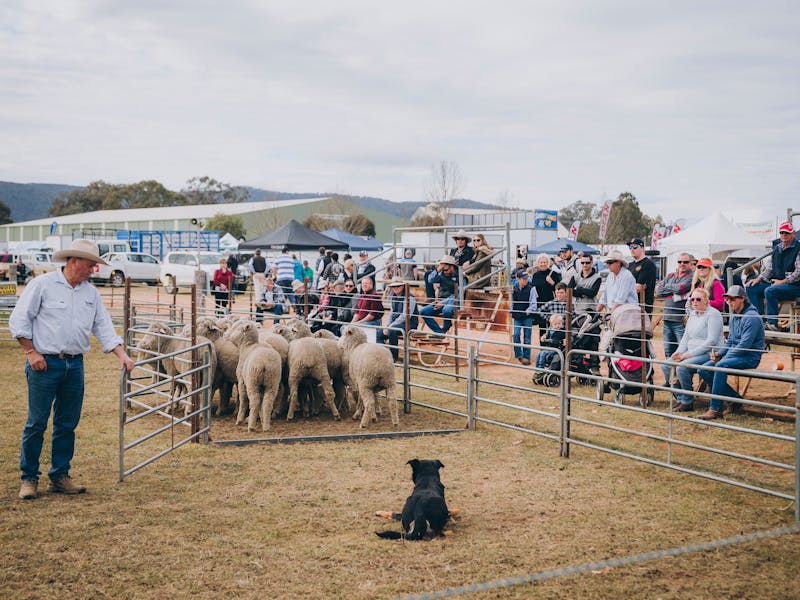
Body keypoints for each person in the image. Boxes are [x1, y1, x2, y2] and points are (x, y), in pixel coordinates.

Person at [10, 239, 135, 500]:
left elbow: (103, 326)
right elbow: (20, 320)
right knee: (37, 422)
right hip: (45, 363)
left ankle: (59, 475)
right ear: (74, 261)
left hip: (74, 365)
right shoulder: (42, 285)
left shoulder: (91, 294)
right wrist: (31, 352)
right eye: (91, 265)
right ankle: (29, 477)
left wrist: (121, 355)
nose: (93, 271)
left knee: (67, 423)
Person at [697, 285, 765, 420]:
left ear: (742, 299)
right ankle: (734, 399)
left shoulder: (751, 317)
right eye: (727, 299)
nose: (729, 302)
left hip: (750, 356)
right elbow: (731, 340)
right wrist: (720, 354)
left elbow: (745, 345)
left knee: (720, 366)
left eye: (732, 299)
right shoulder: (735, 315)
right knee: (703, 370)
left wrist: (723, 358)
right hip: (736, 355)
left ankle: (715, 408)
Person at [669, 288, 724, 411]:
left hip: (710, 353)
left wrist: (688, 354)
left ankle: (688, 402)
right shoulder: (693, 314)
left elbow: (712, 341)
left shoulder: (713, 314)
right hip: (690, 352)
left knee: (682, 367)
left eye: (698, 299)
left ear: (706, 301)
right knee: (666, 365)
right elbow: (686, 337)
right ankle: (681, 398)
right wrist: (679, 351)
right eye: (692, 299)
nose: (694, 302)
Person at [745, 220, 800, 331]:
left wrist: (782, 282)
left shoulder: (798, 248)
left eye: (787, 233)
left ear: (793, 234)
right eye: (782, 233)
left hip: (795, 287)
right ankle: (759, 321)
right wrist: (758, 279)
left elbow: (798, 273)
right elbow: (769, 269)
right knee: (751, 287)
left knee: (770, 291)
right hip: (776, 285)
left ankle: (772, 324)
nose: (784, 235)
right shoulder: (777, 248)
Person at [655, 252, 694, 384]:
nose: (682, 264)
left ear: (690, 263)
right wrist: (672, 289)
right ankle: (669, 378)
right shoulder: (671, 275)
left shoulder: (691, 277)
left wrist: (667, 287)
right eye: (679, 262)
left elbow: (680, 289)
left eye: (685, 262)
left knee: (681, 350)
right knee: (668, 350)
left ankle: (681, 379)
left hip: (680, 320)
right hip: (667, 318)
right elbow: (659, 291)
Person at [378, 277, 419, 361]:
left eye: (398, 286)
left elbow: (405, 316)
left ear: (403, 286)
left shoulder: (409, 297)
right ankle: (383, 354)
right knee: (378, 333)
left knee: (392, 331)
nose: (396, 288)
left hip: (409, 323)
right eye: (394, 286)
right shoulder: (393, 297)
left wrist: (391, 326)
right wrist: (387, 325)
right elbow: (391, 313)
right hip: (396, 323)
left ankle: (393, 357)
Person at [420, 255, 459, 338]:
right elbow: (430, 280)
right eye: (443, 269)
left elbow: (458, 294)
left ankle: (445, 328)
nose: (444, 271)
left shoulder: (460, 276)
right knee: (423, 311)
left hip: (453, 301)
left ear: (452, 267)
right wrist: (438, 269)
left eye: (446, 269)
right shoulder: (442, 273)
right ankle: (439, 333)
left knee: (446, 310)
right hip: (441, 300)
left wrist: (443, 302)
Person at [510, 269, 538, 365]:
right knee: (516, 335)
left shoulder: (532, 289)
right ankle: (518, 354)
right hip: (517, 316)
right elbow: (511, 302)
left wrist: (526, 312)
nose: (525, 280)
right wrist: (511, 311)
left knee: (527, 337)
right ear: (518, 279)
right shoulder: (513, 289)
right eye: (523, 279)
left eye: (526, 278)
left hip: (527, 316)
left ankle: (526, 357)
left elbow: (534, 304)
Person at [628, 238, 657, 314]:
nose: (632, 249)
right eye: (630, 247)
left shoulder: (648, 264)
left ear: (642, 248)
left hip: (642, 307)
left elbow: (639, 287)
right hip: (629, 305)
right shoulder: (630, 265)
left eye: (635, 247)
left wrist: (623, 289)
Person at [531, 254, 561, 327]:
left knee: (553, 323)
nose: (543, 264)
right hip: (539, 303)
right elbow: (532, 288)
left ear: (548, 263)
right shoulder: (535, 275)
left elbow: (559, 288)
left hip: (551, 302)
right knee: (542, 325)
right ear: (538, 263)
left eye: (545, 262)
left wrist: (552, 283)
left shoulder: (553, 274)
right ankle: (541, 338)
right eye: (541, 262)